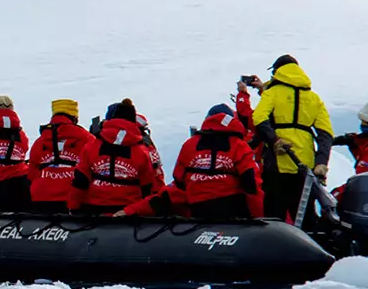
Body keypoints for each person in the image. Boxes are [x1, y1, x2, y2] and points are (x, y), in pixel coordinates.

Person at [120, 104, 262, 219]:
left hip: (198, 215)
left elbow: (176, 189)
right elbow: (252, 187)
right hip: (233, 218)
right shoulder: (240, 146)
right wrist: (259, 220)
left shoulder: (190, 145)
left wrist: (130, 211)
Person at [243, 55, 335, 224]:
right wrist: (321, 161)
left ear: (277, 71)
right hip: (304, 164)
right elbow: (326, 133)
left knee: (273, 216)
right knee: (304, 215)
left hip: (277, 161)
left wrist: (275, 140)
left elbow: (259, 118)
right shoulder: (314, 98)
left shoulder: (272, 93)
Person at [70, 99, 164, 217]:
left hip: (94, 212)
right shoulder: (143, 151)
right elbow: (149, 187)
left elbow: (80, 181)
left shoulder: (92, 146)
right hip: (129, 214)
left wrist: (73, 209)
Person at [27, 98, 95, 214]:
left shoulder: (40, 141)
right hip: (73, 200)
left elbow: (32, 173)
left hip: (42, 198)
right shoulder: (87, 139)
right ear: (74, 118)